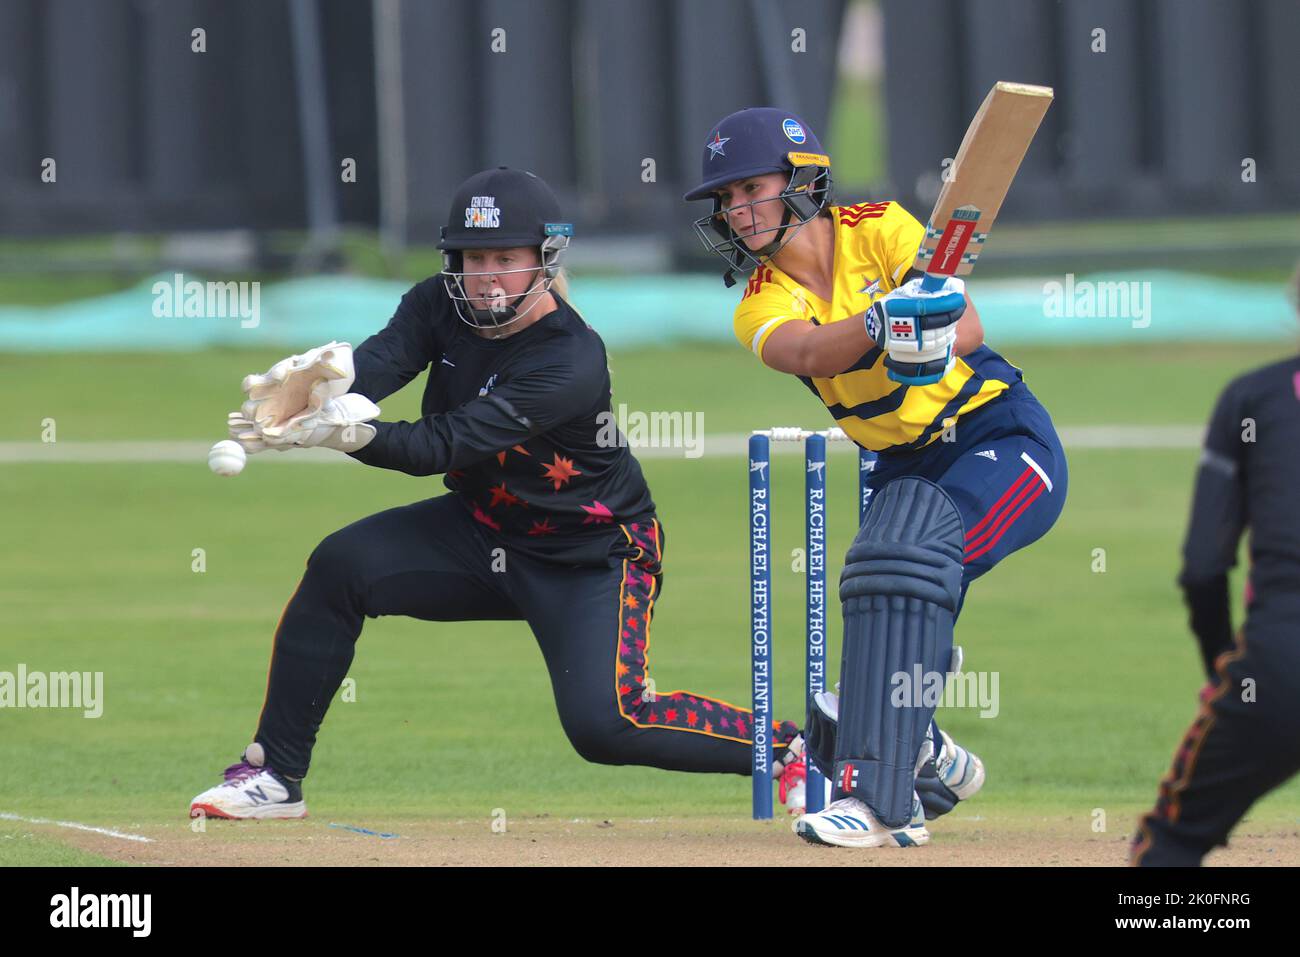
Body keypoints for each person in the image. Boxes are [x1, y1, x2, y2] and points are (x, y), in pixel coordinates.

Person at [190, 166, 810, 819]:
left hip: (592, 555)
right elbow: (381, 363)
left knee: (607, 725)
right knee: (341, 566)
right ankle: (275, 776)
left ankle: (793, 746)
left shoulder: (569, 358)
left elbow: (444, 445)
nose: (485, 274)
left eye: (505, 258)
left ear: (544, 261)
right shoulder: (436, 303)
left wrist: (341, 434)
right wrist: (317, 391)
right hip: (482, 532)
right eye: (473, 257)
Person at [684, 109, 1068, 847]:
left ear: (802, 181)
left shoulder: (878, 225)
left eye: (751, 188)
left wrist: (931, 333)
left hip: (1002, 441)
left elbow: (970, 328)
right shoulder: (760, 301)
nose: (737, 209)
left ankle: (883, 801)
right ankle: (921, 755)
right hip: (904, 463)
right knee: (877, 576)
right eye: (726, 199)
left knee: (907, 559)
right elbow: (812, 353)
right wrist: (887, 323)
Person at [1131, 269, 1300, 865]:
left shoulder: (1254, 399)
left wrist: (1230, 678)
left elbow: (1203, 568)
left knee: (1172, 843)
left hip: (1283, 667)